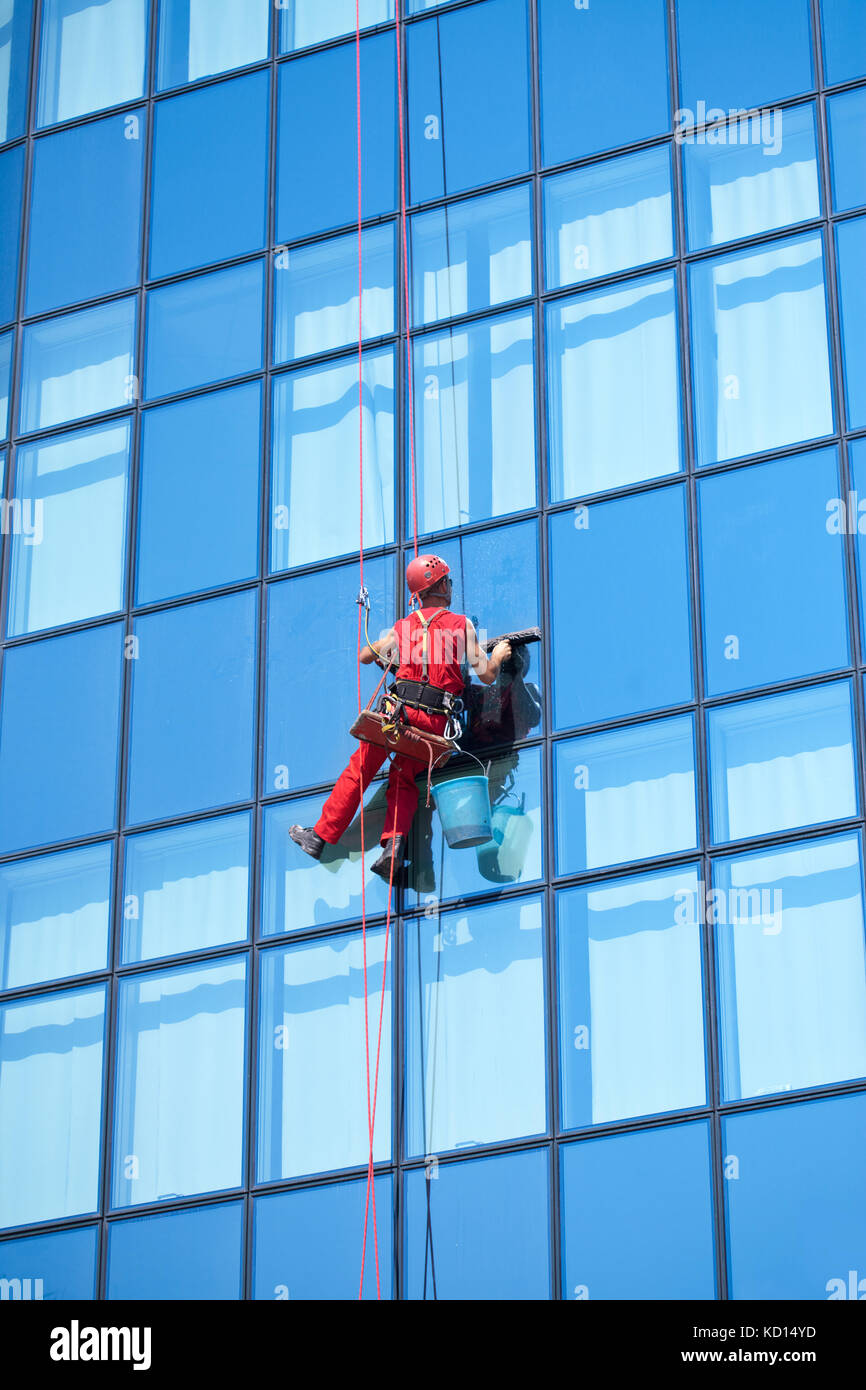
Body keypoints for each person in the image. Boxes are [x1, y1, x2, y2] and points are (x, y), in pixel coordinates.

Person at [289, 554, 512, 881]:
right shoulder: (460, 625)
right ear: (440, 586)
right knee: (405, 776)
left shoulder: (403, 628)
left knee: (360, 768)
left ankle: (321, 836)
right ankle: (392, 848)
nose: (451, 586)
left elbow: (366, 655)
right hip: (435, 723)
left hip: (399, 715)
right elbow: (488, 675)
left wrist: (395, 654)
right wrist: (501, 655)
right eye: (448, 581)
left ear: (418, 594)